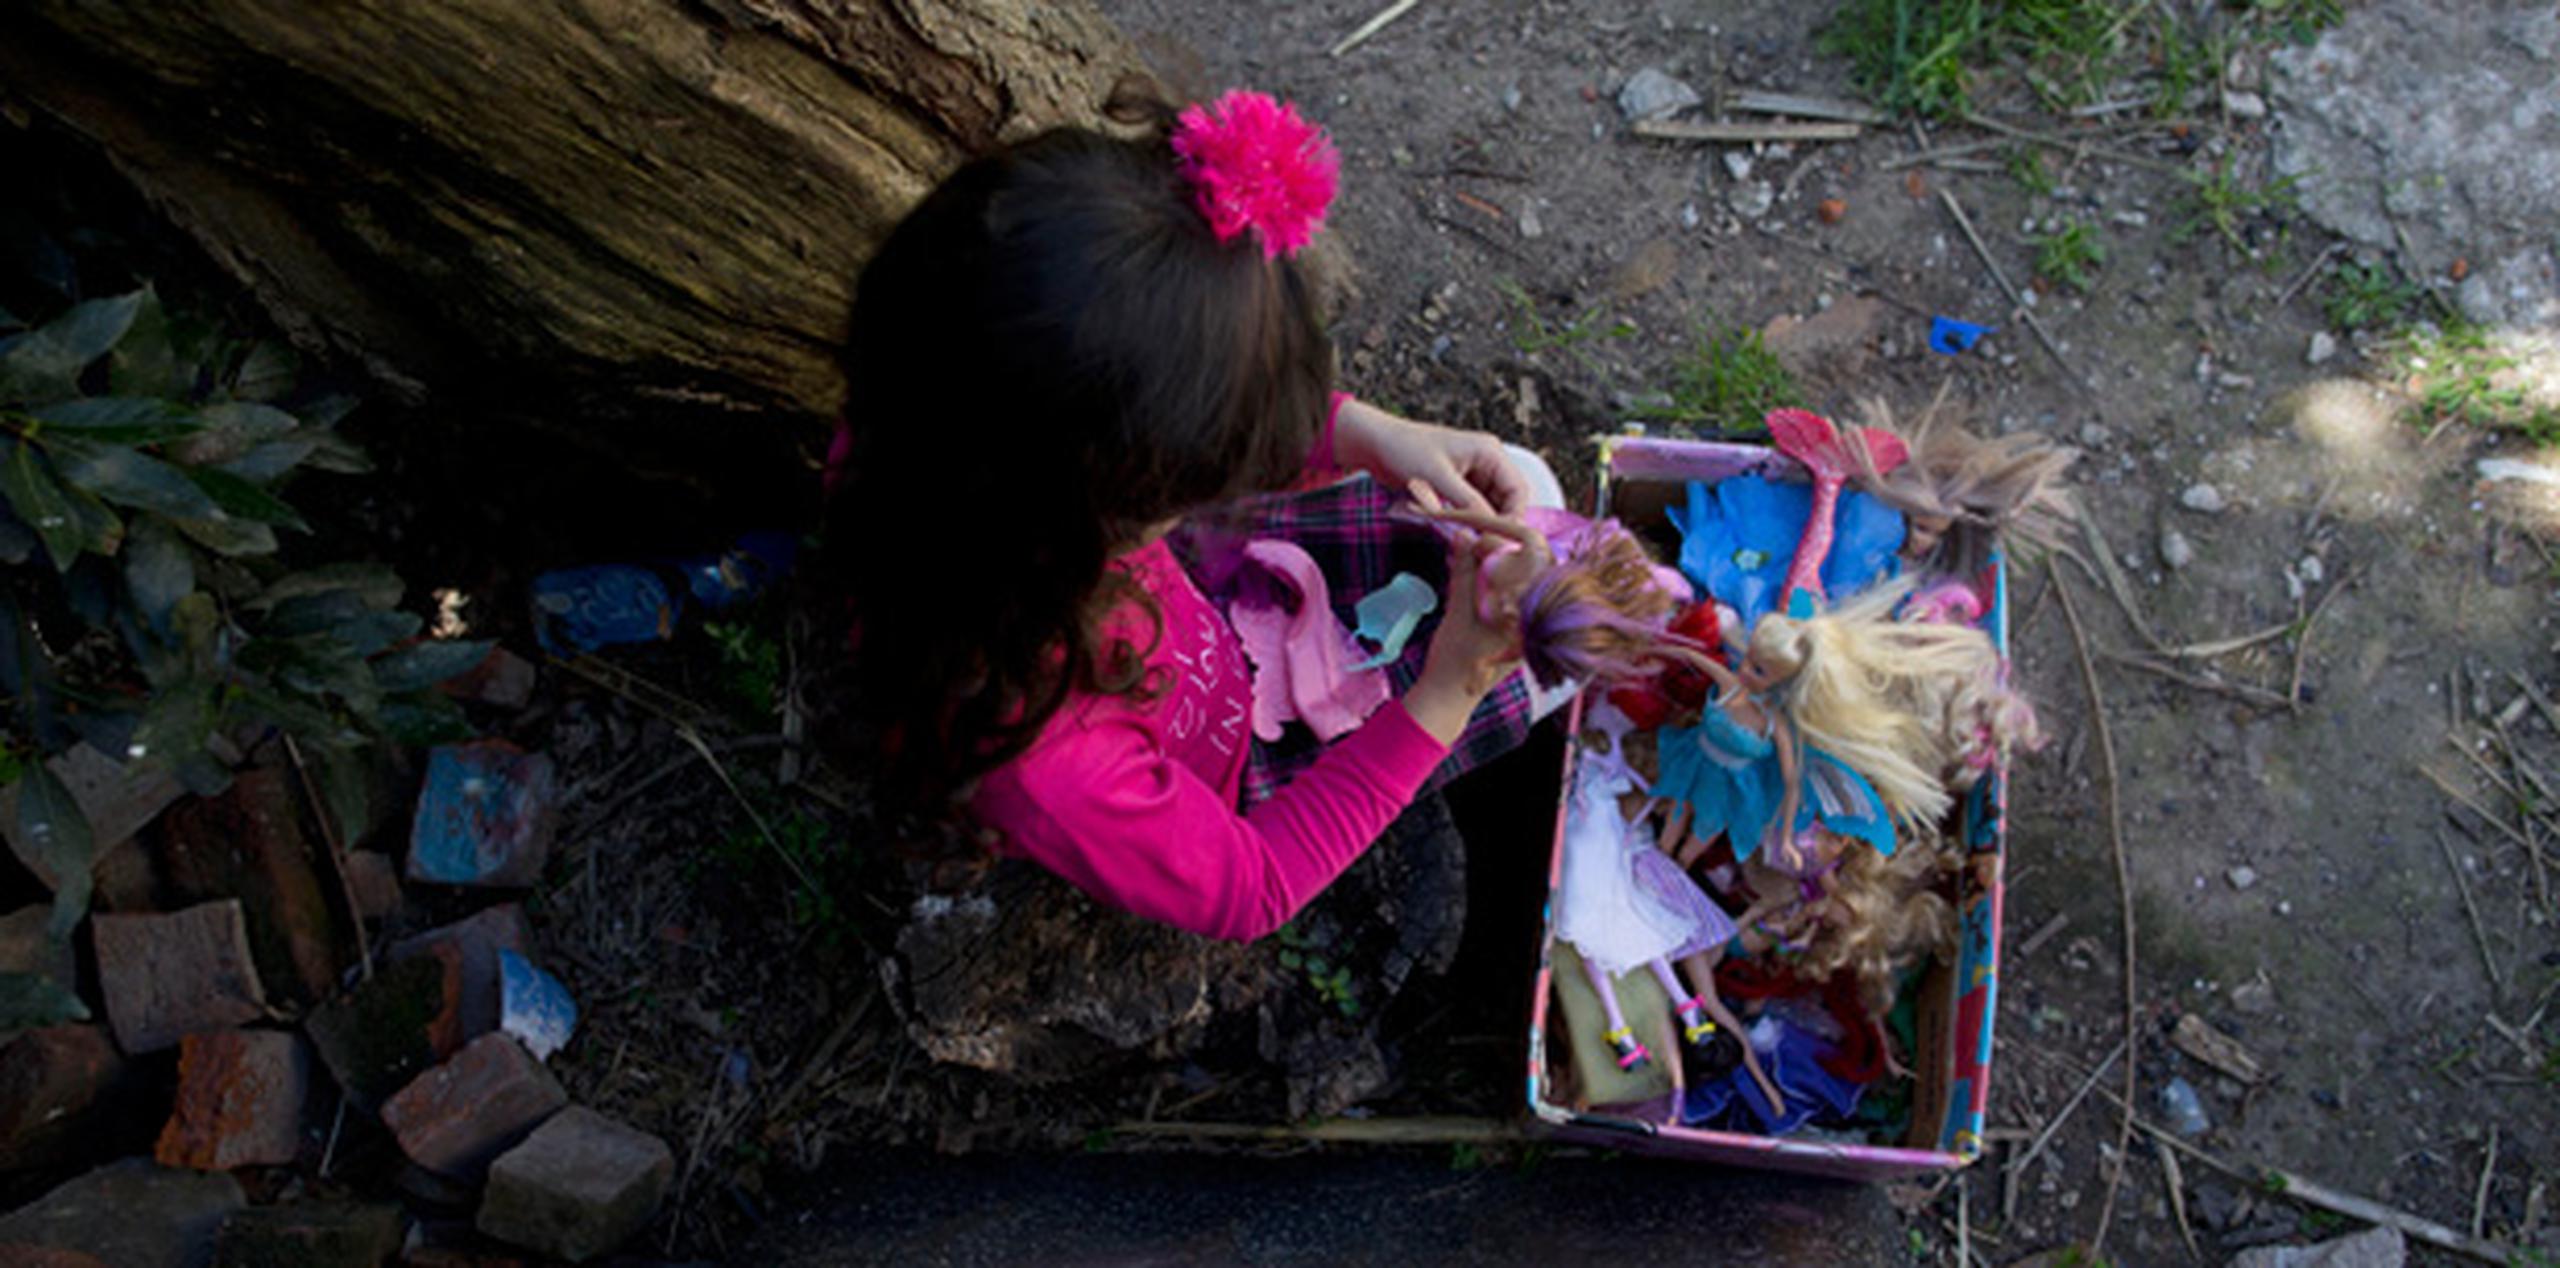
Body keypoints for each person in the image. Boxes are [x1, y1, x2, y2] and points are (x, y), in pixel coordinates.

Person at [816, 88, 1554, 941]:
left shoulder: (942, 435)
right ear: (1100, 494)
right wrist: (1447, 694)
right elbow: (1257, 885)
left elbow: (1152, 415)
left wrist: (1370, 435)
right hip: (1236, 776)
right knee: (1539, 657)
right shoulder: (1053, 763)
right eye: (1206, 480)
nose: (1232, 484)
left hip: (1205, 614)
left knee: (1523, 485)